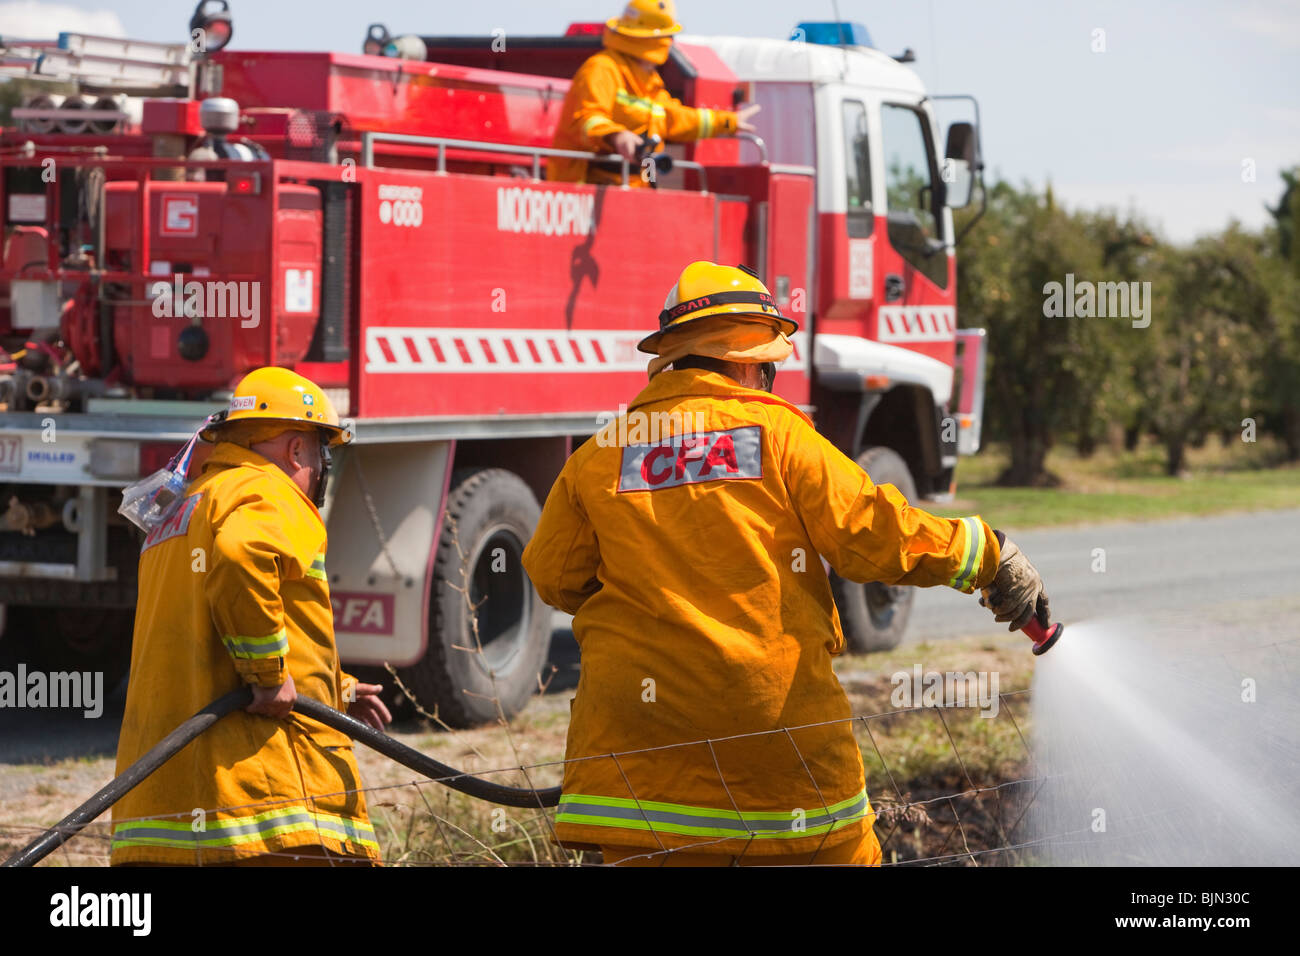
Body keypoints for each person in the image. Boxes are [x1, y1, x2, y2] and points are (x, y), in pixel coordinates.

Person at [521, 261, 1050, 866]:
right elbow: (871, 533)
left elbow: (553, 575)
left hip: (636, 780)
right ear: (749, 360)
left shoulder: (602, 453)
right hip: (776, 756)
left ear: (672, 355)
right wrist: (984, 553)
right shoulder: (777, 433)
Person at [110, 367, 391, 866]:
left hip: (160, 806)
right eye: (320, 453)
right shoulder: (268, 492)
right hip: (256, 805)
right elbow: (242, 558)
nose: (319, 472)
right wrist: (267, 677)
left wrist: (335, 688)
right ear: (296, 449)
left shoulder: (185, 505)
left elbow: (215, 627)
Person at [547, 0, 760, 187]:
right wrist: (617, 136)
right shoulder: (602, 69)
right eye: (668, 36)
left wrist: (726, 122)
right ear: (656, 39)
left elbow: (675, 118)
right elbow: (587, 119)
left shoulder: (649, 81)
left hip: (637, 186)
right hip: (584, 188)